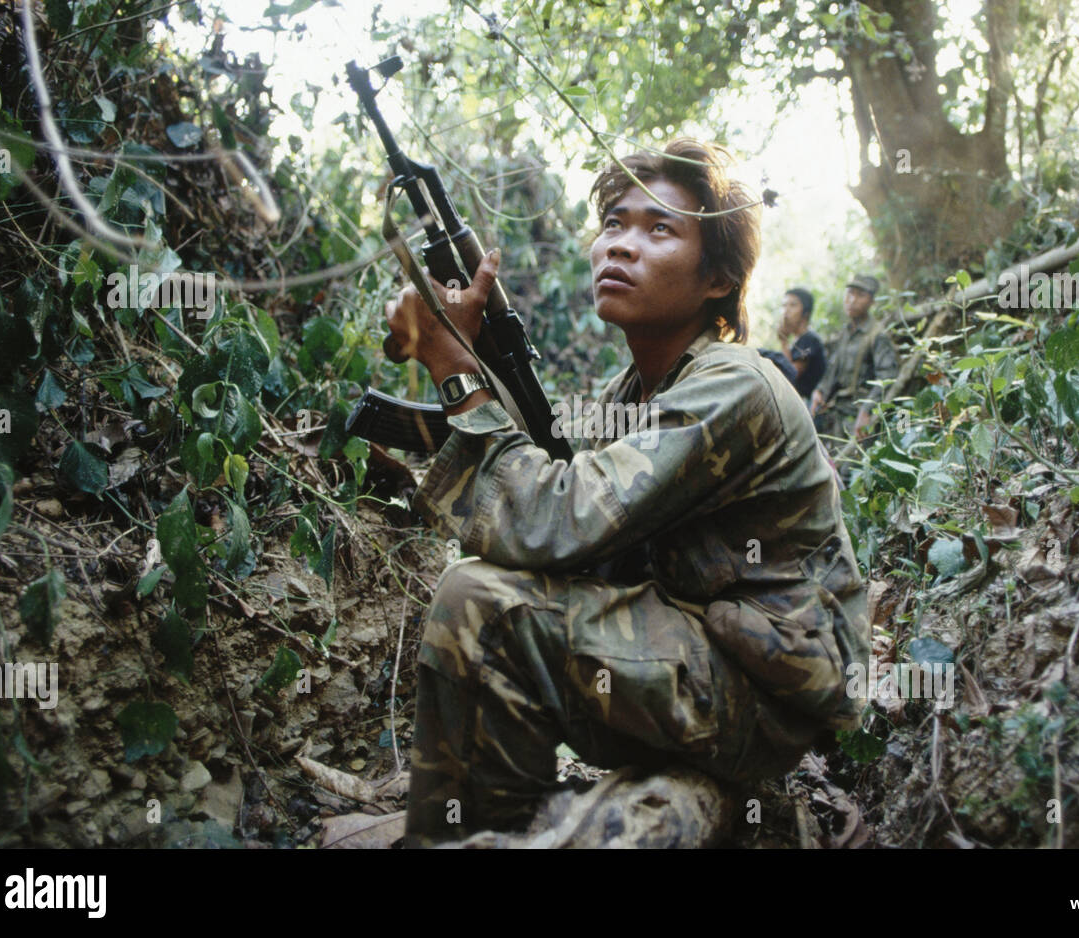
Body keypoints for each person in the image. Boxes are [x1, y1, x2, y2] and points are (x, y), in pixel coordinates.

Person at [383, 139, 871, 846]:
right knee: (491, 594)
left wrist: (457, 371)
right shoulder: (632, 394)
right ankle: (489, 827)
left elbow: (552, 519)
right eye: (613, 222)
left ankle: (462, 833)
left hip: (762, 697)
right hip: (694, 656)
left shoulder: (736, 383)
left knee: (479, 604)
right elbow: (567, 529)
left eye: (660, 228)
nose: (622, 245)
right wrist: (472, 358)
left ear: (718, 278)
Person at [811, 275, 899, 444]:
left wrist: (867, 411)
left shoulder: (877, 335)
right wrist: (820, 391)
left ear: (872, 301)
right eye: (850, 293)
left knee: (850, 467)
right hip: (838, 414)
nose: (852, 300)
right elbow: (833, 370)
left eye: (860, 295)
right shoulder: (845, 333)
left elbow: (887, 376)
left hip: (859, 416)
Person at [776, 288, 827, 400]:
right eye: (784, 306)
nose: (786, 311)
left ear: (806, 313)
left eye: (793, 305)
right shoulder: (797, 340)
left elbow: (791, 374)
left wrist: (784, 341)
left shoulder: (810, 339)